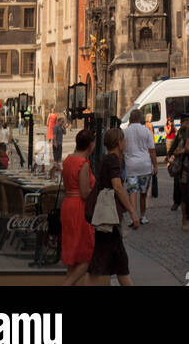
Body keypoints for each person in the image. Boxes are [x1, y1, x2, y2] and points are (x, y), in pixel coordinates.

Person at [87, 127, 139, 287]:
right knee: (105, 263)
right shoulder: (113, 160)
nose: (125, 142)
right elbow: (117, 186)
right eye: (123, 140)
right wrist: (132, 211)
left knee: (118, 263)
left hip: (109, 219)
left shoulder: (107, 159)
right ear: (119, 143)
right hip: (108, 219)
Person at [61, 128, 96, 286]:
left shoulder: (68, 160)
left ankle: (69, 282)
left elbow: (67, 186)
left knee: (73, 252)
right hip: (79, 208)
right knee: (88, 252)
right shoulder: (83, 163)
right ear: (90, 145)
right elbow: (84, 192)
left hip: (68, 204)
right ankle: (67, 284)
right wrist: (97, 190)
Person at [123, 107, 157, 224]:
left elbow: (122, 149)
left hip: (131, 166)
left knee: (132, 192)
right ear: (140, 118)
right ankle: (143, 216)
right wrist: (155, 165)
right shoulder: (146, 131)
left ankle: (133, 217)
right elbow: (152, 150)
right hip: (144, 166)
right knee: (143, 193)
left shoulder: (125, 132)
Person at [167, 116, 189, 217]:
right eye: (182, 123)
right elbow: (175, 143)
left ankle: (187, 202)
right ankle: (176, 202)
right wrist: (169, 154)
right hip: (179, 161)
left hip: (188, 161)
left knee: (188, 183)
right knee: (177, 182)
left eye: (184, 122)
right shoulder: (181, 131)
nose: (182, 124)